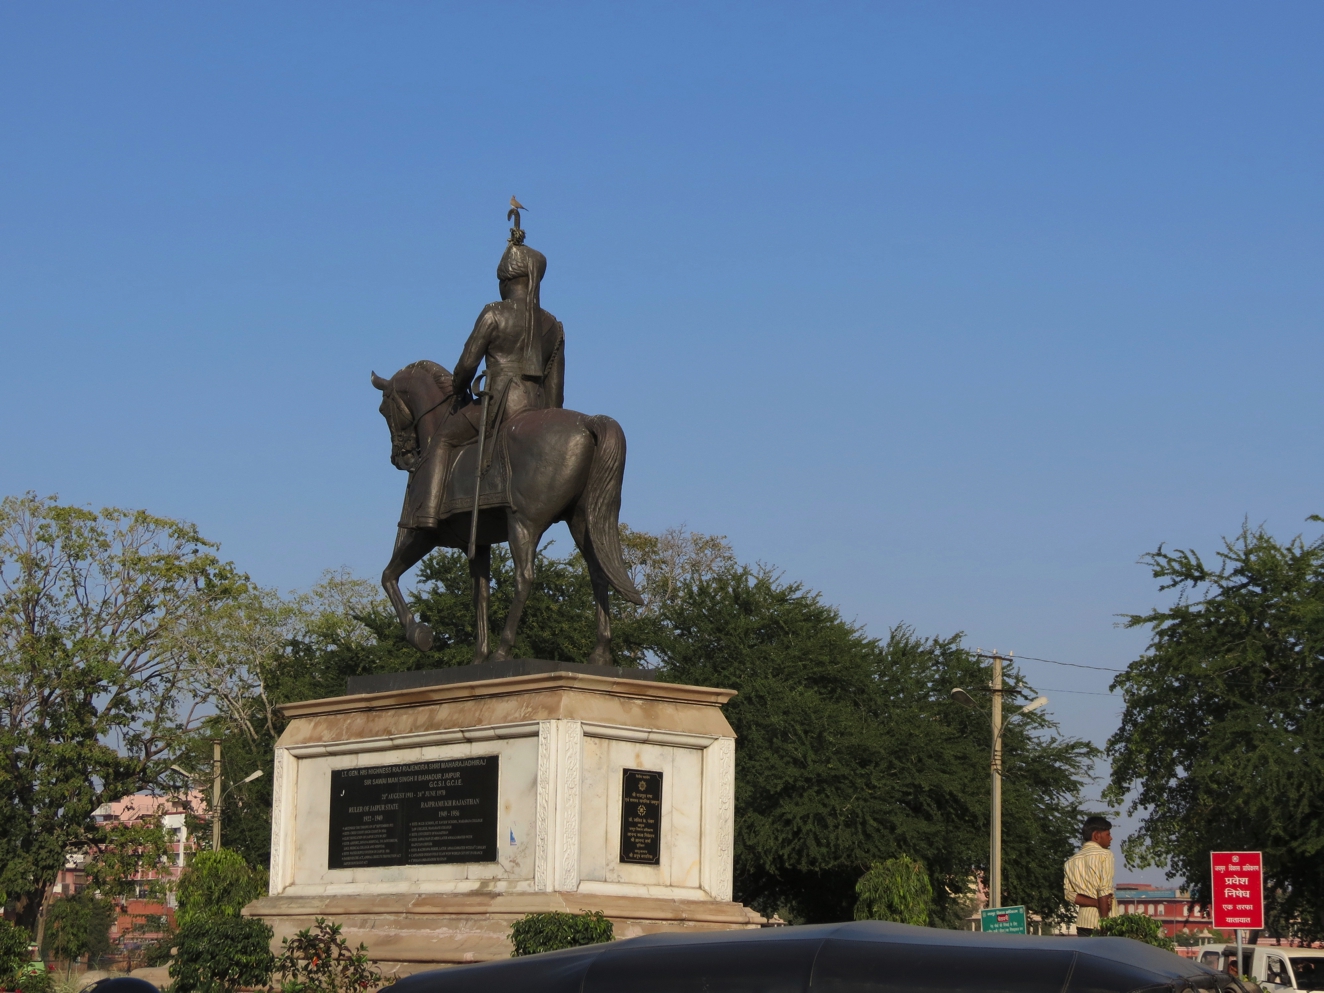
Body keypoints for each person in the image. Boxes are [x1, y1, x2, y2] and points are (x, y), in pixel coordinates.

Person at [406, 218, 565, 531]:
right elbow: (556, 389)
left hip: (500, 403)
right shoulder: (553, 326)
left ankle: (428, 511)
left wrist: (459, 386)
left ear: (506, 281)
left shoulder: (495, 311)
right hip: (538, 407)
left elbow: (467, 364)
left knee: (442, 439)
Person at [1064, 815, 1114, 936]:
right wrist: (1105, 924)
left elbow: (1069, 895)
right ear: (1097, 835)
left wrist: (1095, 903)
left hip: (1083, 923)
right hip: (1101, 923)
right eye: (1108, 834)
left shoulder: (1070, 862)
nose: (1111, 838)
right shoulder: (1105, 855)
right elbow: (1104, 891)